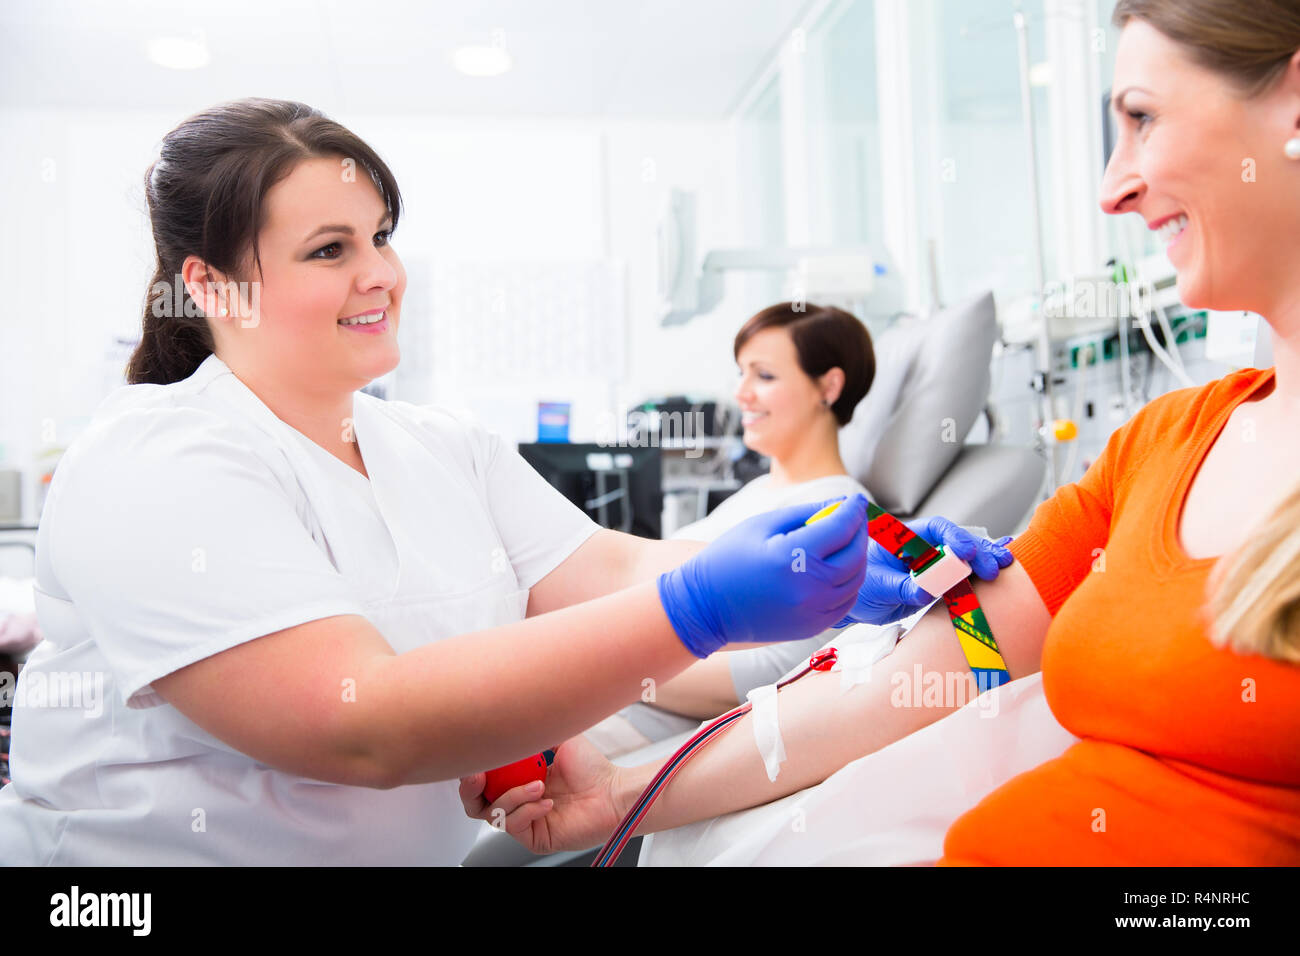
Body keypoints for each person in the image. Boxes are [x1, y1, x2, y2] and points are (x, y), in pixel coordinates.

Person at [0, 97, 999, 866]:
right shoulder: (155, 460)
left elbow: (611, 571)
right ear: (211, 284)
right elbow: (363, 723)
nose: (379, 274)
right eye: (329, 249)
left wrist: (837, 591)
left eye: (381, 235)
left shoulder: (439, 445)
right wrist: (702, 603)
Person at [462, 0, 1300, 865]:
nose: (1111, 185)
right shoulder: (1160, 445)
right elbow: (949, 669)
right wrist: (616, 798)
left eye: (1143, 118)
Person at [584, 302, 1011, 754]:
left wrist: (593, 658)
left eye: (763, 376)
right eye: (741, 373)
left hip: (625, 718)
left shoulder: (836, 513)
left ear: (828, 386)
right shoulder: (756, 494)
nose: (741, 393)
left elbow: (757, 676)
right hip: (604, 696)